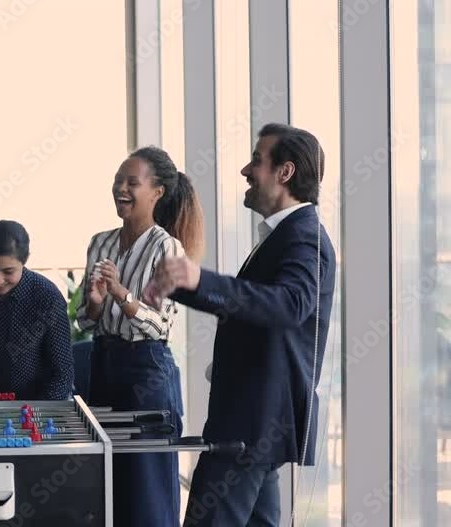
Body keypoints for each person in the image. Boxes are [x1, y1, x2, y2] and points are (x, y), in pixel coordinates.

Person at [144, 123, 336, 527]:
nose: (246, 171)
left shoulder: (303, 238)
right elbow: (253, 308)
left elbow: (289, 306)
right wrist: (185, 285)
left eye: (256, 160)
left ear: (284, 173)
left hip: (253, 422)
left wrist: (200, 280)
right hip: (256, 423)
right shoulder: (287, 235)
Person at [76, 146, 205, 526]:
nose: (121, 189)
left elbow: (160, 326)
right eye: (118, 181)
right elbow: (86, 319)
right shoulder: (99, 242)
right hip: (104, 365)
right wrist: (97, 302)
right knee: (108, 482)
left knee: (146, 489)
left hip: (145, 372)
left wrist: (120, 293)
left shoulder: (167, 247)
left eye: (132, 182)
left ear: (158, 192)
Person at [0, 220, 74, 399]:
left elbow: (62, 372)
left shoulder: (47, 296)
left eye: (8, 272)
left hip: (45, 399)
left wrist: (39, 414)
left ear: (24, 261)